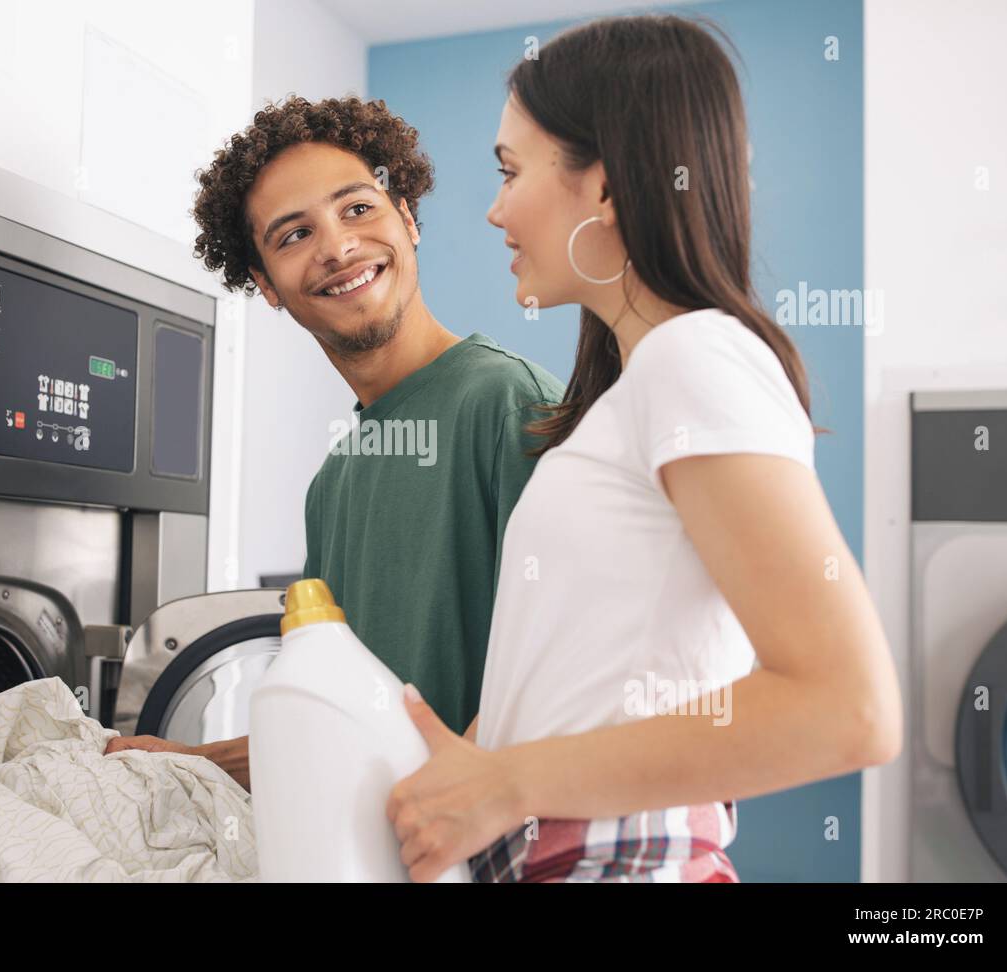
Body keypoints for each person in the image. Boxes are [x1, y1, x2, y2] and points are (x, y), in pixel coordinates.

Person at [385, 14, 903, 883]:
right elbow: (572, 685)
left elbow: (849, 707)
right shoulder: (634, 393)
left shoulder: (695, 355)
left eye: (512, 171)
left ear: (612, 186)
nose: (494, 207)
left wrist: (507, 781)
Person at [107, 97, 564, 790]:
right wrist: (182, 765)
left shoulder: (512, 404)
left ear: (407, 219)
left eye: (358, 209)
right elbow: (338, 729)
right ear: (266, 286)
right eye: (293, 235)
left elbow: (570, 679)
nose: (336, 247)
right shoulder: (334, 487)